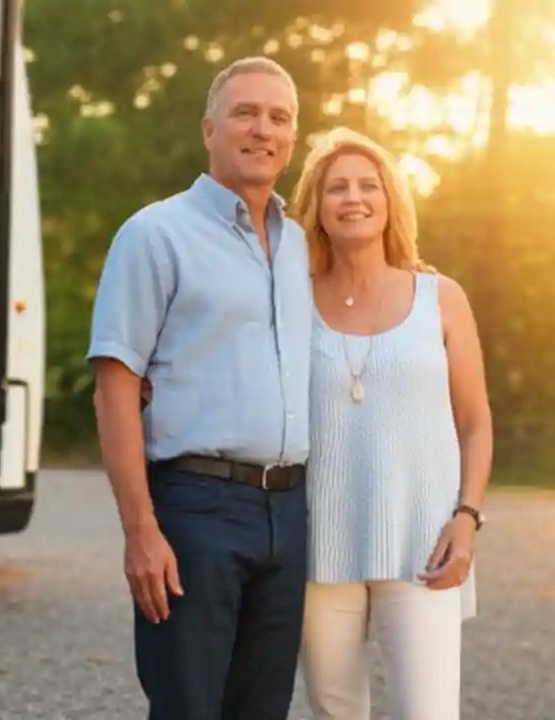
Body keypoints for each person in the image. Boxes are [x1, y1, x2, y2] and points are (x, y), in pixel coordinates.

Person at [87, 56, 313, 720]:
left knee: (262, 709)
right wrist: (140, 531)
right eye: (245, 112)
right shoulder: (156, 234)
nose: (261, 129)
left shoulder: (304, 247)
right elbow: (115, 387)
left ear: (293, 139)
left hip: (290, 513)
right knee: (188, 706)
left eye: (279, 117)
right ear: (209, 129)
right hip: (196, 509)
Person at [288, 126, 494, 720]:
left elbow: (475, 420)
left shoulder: (441, 297)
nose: (353, 198)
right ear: (317, 207)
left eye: (367, 185)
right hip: (319, 545)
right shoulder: (290, 300)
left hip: (424, 541)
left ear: (389, 201)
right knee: (334, 712)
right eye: (337, 188)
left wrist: (468, 517)